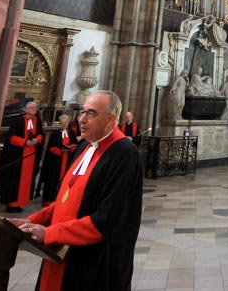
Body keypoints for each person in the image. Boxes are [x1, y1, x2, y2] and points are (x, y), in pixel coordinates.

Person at [12, 90, 143, 291]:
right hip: (61, 251)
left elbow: (108, 219)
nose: (81, 119)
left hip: (91, 263)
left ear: (111, 120)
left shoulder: (124, 154)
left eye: (91, 113)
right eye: (82, 112)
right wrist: (33, 221)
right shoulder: (85, 146)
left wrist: (50, 233)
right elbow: (67, 199)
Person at [0, 99, 44, 213]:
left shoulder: (37, 121)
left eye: (35, 108)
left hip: (31, 155)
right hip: (18, 156)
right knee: (15, 180)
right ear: (26, 110)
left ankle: (21, 202)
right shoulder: (18, 121)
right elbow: (11, 138)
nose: (34, 110)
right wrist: (25, 142)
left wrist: (36, 140)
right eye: (32, 108)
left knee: (26, 180)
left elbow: (40, 134)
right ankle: (12, 204)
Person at [40, 113, 76, 205]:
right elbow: (51, 147)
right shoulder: (56, 134)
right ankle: (50, 200)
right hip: (56, 162)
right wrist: (61, 151)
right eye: (62, 122)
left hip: (67, 160)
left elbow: (74, 144)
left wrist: (70, 148)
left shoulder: (71, 132)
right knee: (53, 180)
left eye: (65, 122)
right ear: (59, 123)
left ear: (68, 122)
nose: (64, 124)